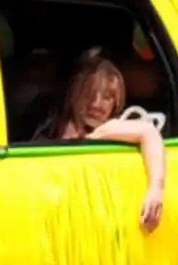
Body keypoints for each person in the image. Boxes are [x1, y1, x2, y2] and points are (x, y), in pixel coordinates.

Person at [34, 48, 165, 233]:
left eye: (106, 97)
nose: (96, 104)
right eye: (88, 95)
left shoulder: (106, 130)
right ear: (73, 95)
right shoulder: (49, 129)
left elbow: (149, 133)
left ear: (116, 102)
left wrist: (156, 188)